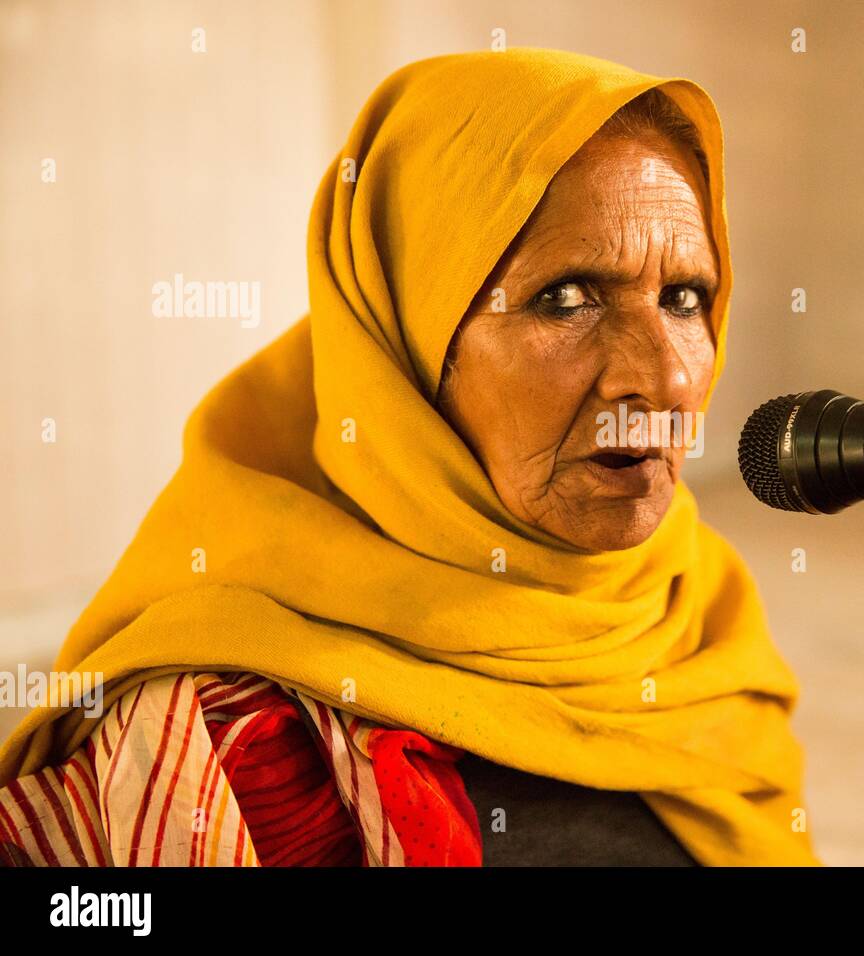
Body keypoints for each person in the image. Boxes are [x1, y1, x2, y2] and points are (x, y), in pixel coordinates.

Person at [0, 48, 819, 867]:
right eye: (565, 297)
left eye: (685, 297)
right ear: (406, 346)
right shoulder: (232, 740)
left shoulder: (698, 615)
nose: (668, 375)